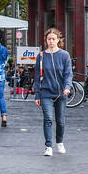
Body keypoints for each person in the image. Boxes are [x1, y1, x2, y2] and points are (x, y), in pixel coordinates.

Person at [34, 27, 73, 156]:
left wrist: (67, 87)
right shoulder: (41, 56)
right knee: (48, 119)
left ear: (58, 40)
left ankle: (60, 142)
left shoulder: (64, 55)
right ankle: (48, 146)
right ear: (46, 40)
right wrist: (37, 95)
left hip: (61, 93)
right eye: (48, 39)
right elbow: (37, 77)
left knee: (60, 121)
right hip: (46, 92)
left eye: (53, 39)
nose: (50, 41)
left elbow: (68, 73)